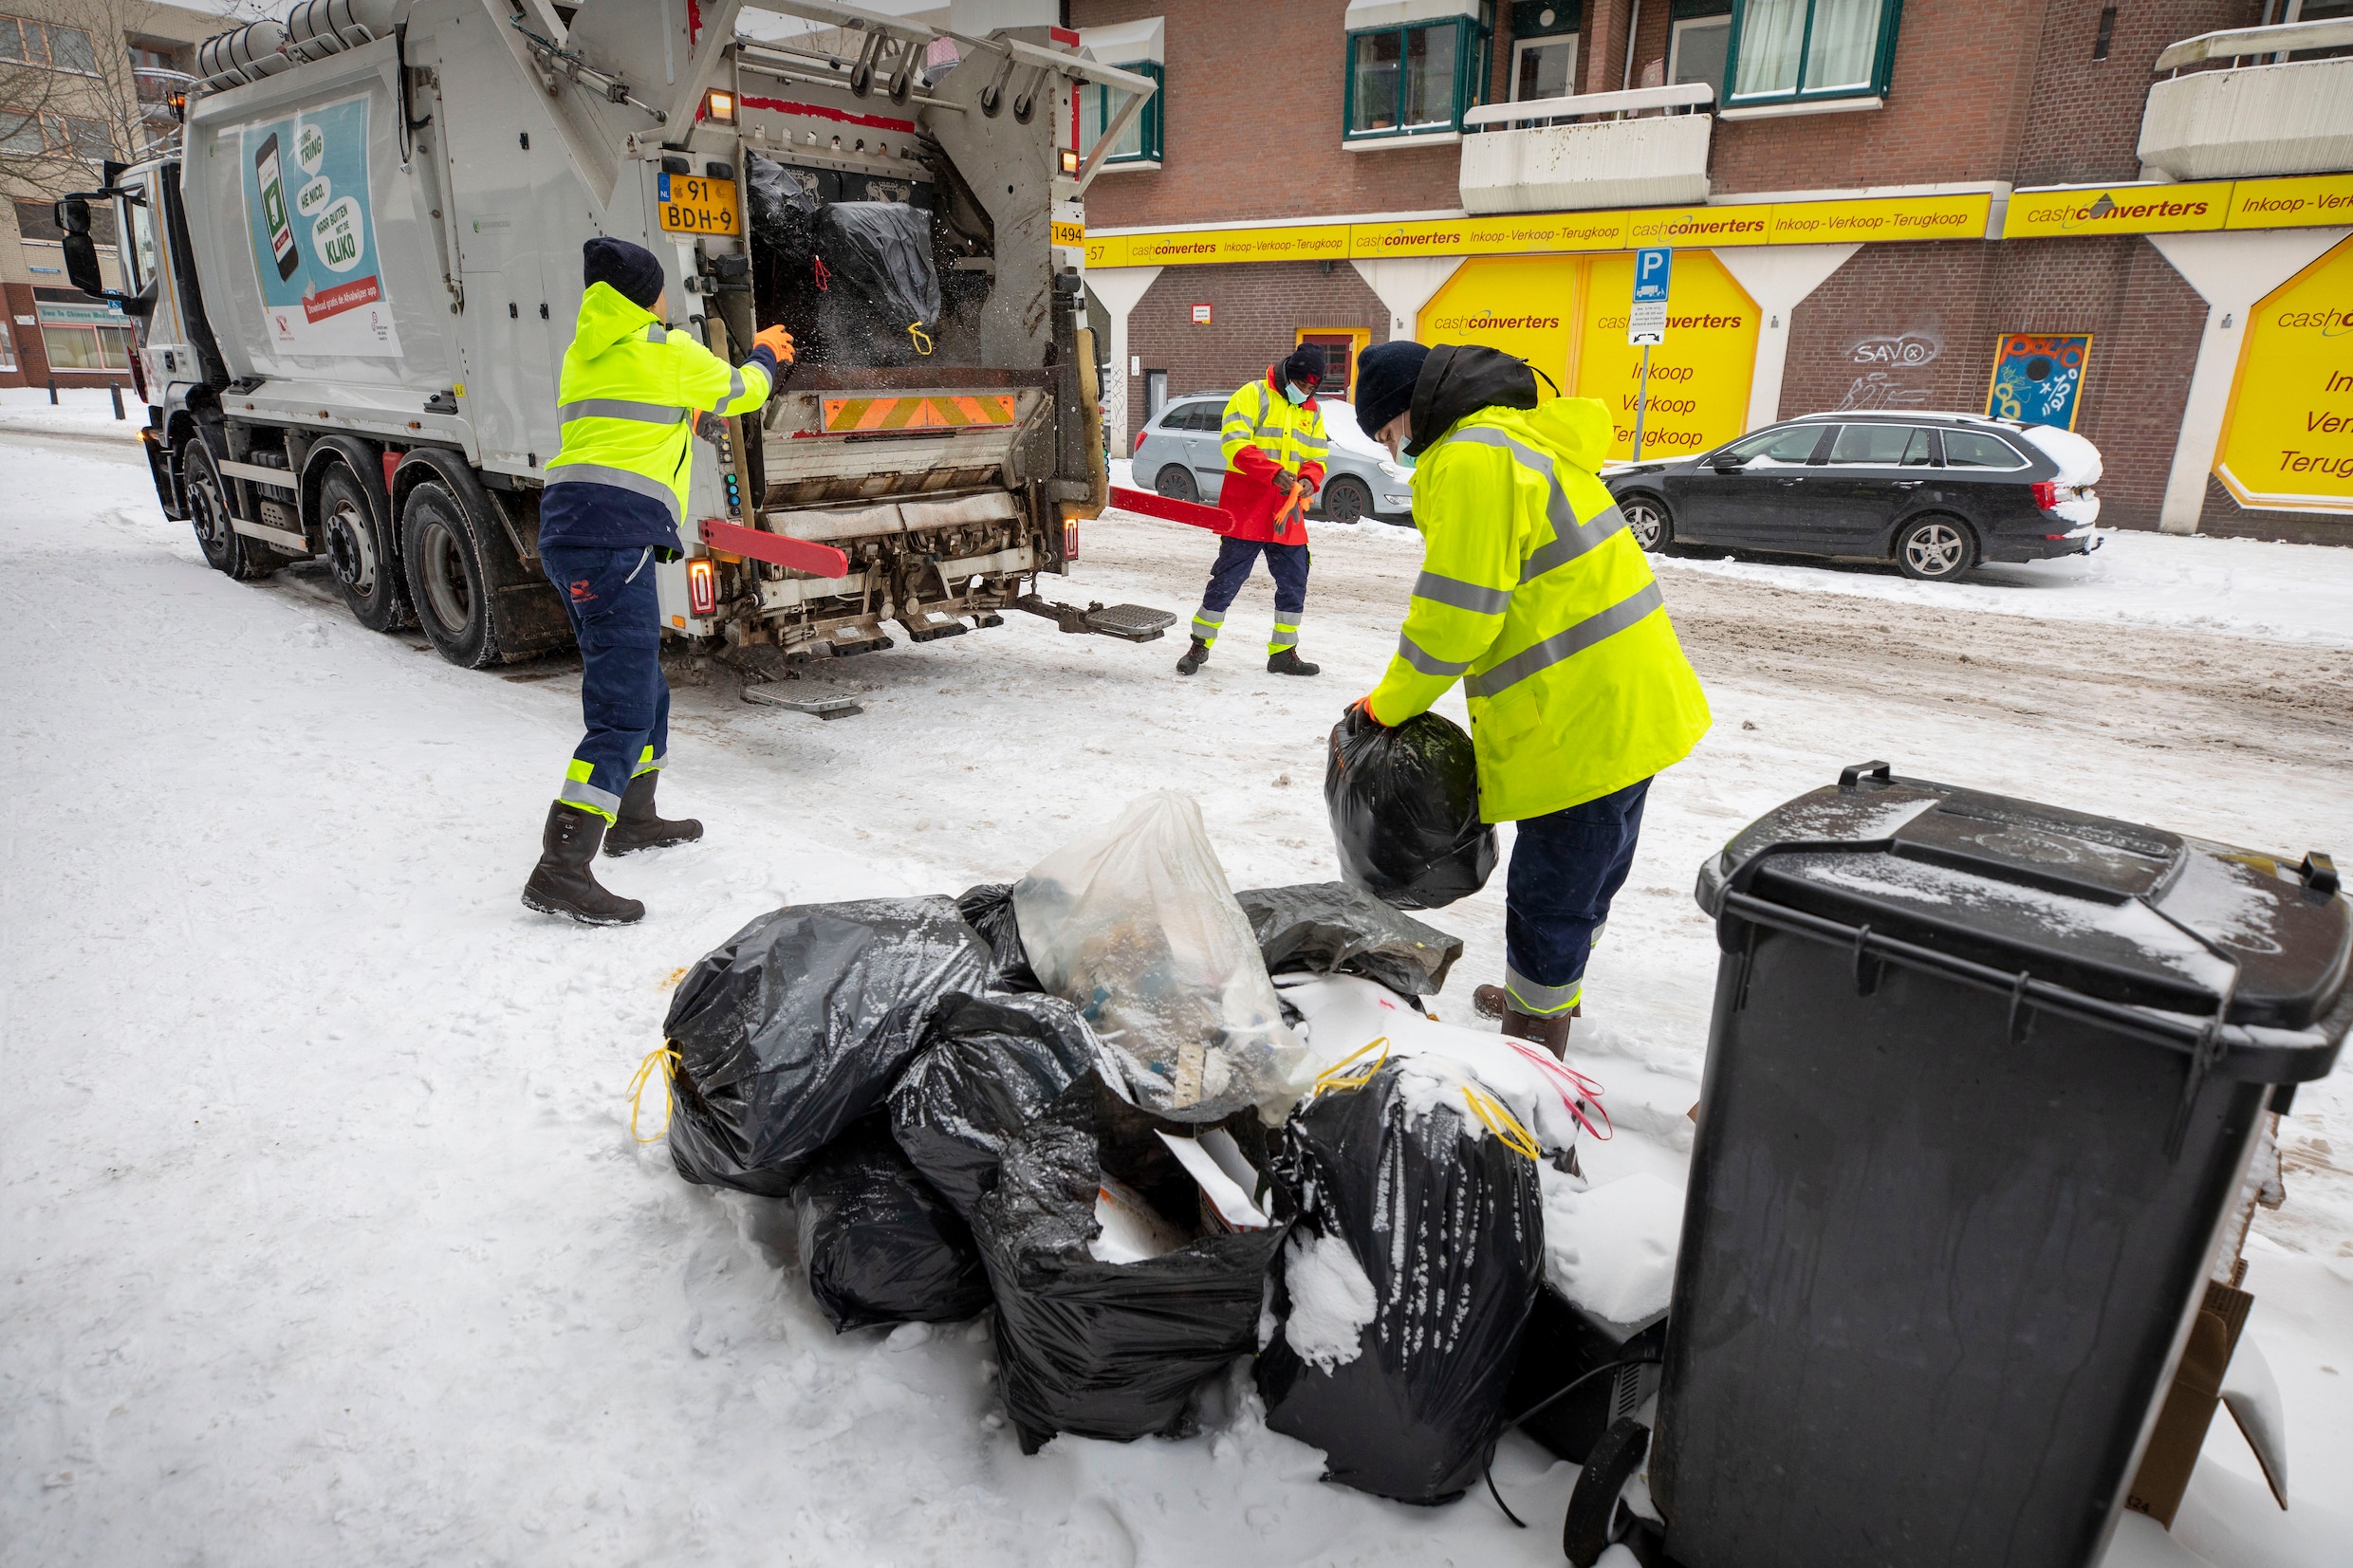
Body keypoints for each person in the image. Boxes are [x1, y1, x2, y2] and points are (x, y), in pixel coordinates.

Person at [1345, 340, 1712, 1054]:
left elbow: (1457, 614)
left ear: (1410, 411)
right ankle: (1549, 997)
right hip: (1628, 702)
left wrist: (1388, 704)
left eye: (1388, 434)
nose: (1395, 453)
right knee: (1590, 876)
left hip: (1576, 717)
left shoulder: (1470, 458)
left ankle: (1535, 1053)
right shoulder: (1518, 437)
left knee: (1552, 892)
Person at [522, 236, 794, 926]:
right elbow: (744, 392)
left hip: (572, 531)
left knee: (644, 684)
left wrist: (683, 410)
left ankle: (634, 817)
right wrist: (766, 352)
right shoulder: (665, 350)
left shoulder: (587, 353)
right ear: (646, 295)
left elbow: (633, 420)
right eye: (661, 287)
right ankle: (561, 866)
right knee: (621, 707)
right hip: (613, 540)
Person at [1176, 344, 1331, 678]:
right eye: (1302, 384)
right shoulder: (1253, 394)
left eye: (1312, 387)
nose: (1306, 391)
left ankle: (1283, 654)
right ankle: (1199, 646)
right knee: (1226, 581)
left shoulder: (1312, 411)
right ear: (1289, 375)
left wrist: (1309, 479)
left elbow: (1317, 456)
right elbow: (1234, 443)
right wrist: (1272, 472)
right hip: (1247, 508)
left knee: (1294, 583)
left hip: (1287, 513)